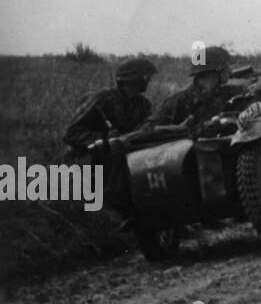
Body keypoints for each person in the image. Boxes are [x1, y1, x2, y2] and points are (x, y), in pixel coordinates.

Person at [63, 57, 158, 219]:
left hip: (124, 156)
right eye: (145, 77)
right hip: (90, 158)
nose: (148, 81)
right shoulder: (102, 99)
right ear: (132, 79)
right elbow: (71, 133)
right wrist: (105, 137)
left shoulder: (143, 104)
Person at [147, 46, 232, 129]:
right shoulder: (178, 101)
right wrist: (177, 129)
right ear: (216, 70)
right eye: (226, 67)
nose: (230, 71)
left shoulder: (223, 95)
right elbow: (147, 130)